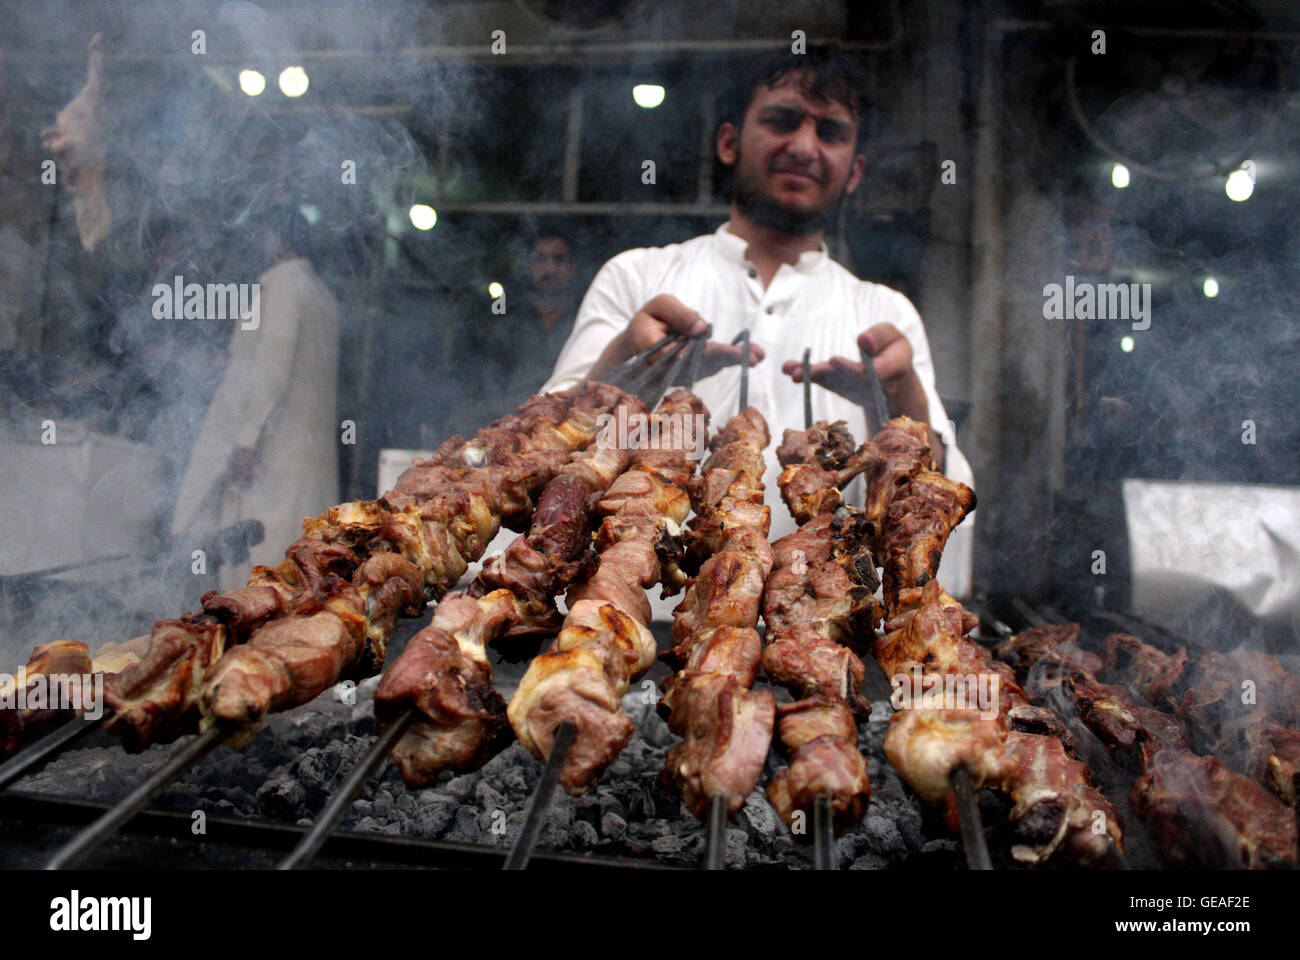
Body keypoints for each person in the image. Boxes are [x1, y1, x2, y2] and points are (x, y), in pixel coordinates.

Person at [541, 46, 975, 596]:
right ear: (728, 142)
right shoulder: (637, 277)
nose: (803, 146)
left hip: (826, 628)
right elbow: (544, 458)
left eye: (831, 133)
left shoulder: (884, 313)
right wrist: (627, 360)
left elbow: (942, 497)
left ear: (855, 170)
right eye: (782, 120)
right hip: (632, 620)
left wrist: (898, 393)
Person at [170, 206, 340, 589]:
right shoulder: (321, 295)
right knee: (300, 568)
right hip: (302, 455)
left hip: (271, 453)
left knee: (259, 567)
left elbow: (271, 370)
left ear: (274, 239)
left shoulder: (281, 287)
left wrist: (246, 441)